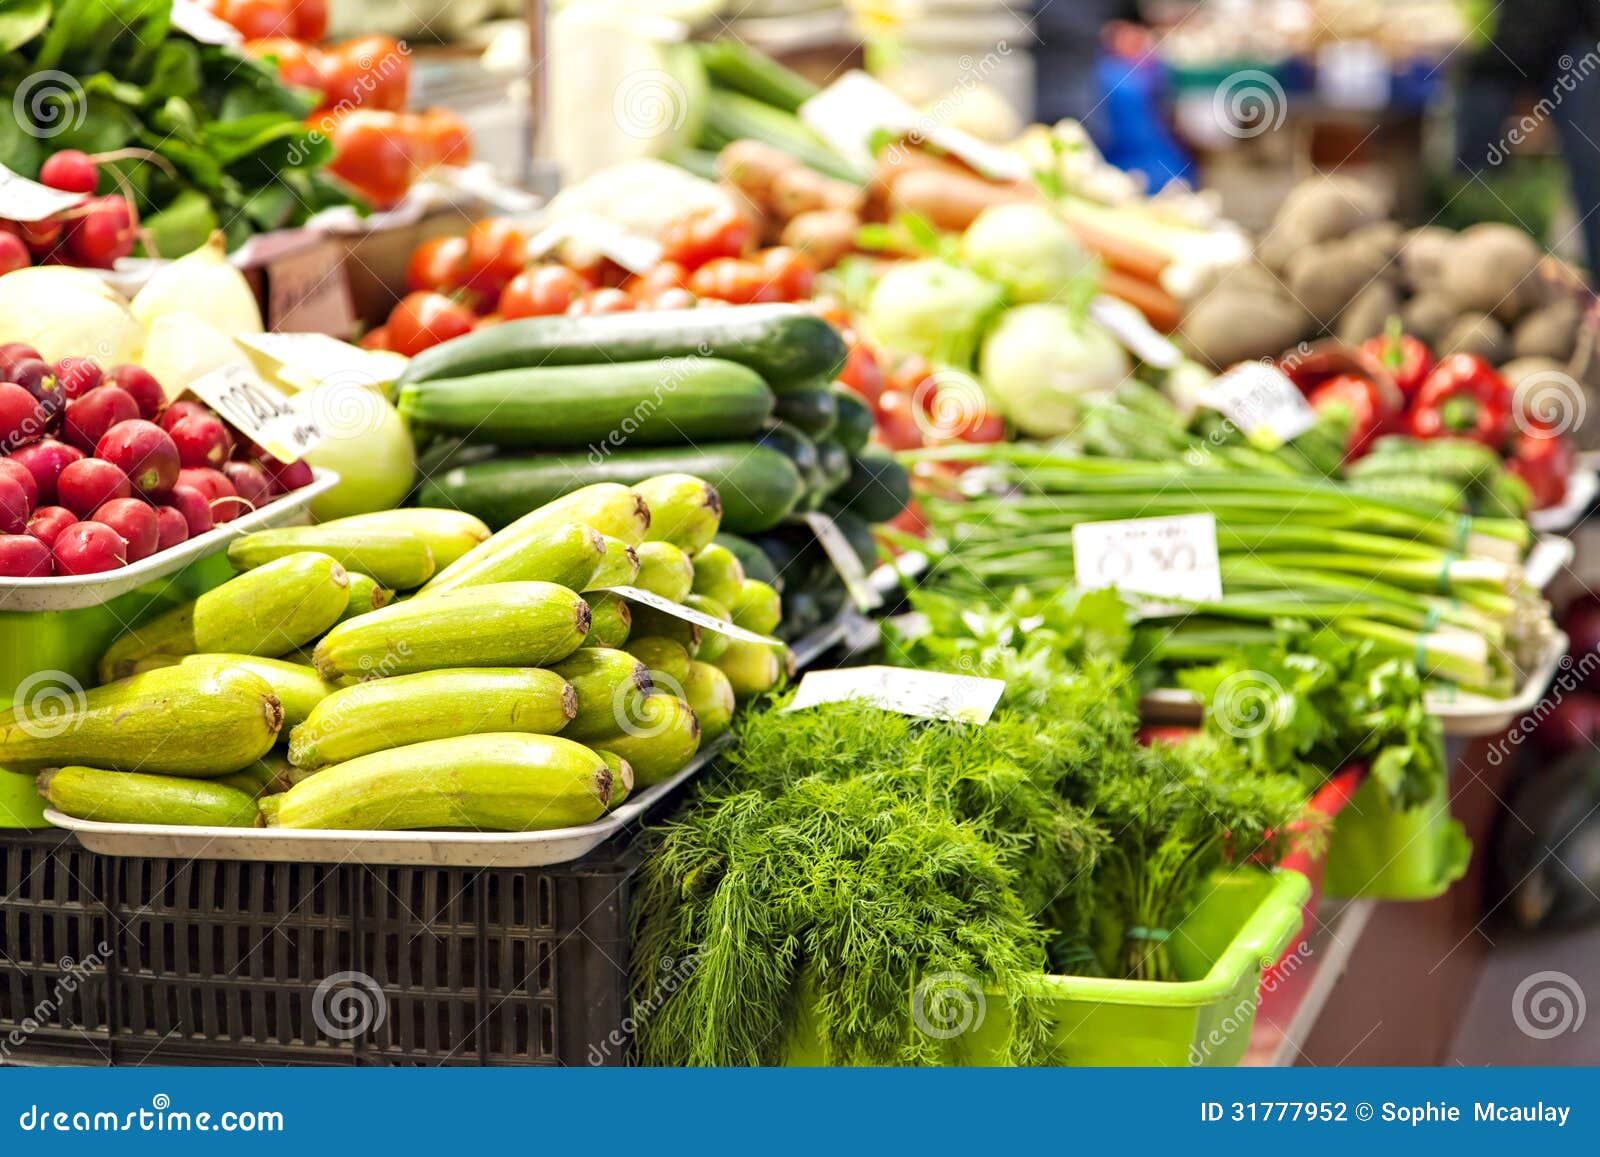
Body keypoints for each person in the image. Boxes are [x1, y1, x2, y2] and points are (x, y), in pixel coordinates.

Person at [1455, 0, 1600, 272]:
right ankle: (1465, 249)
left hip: (1570, 39)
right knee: (1473, 167)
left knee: (1590, 163)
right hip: (1506, 42)